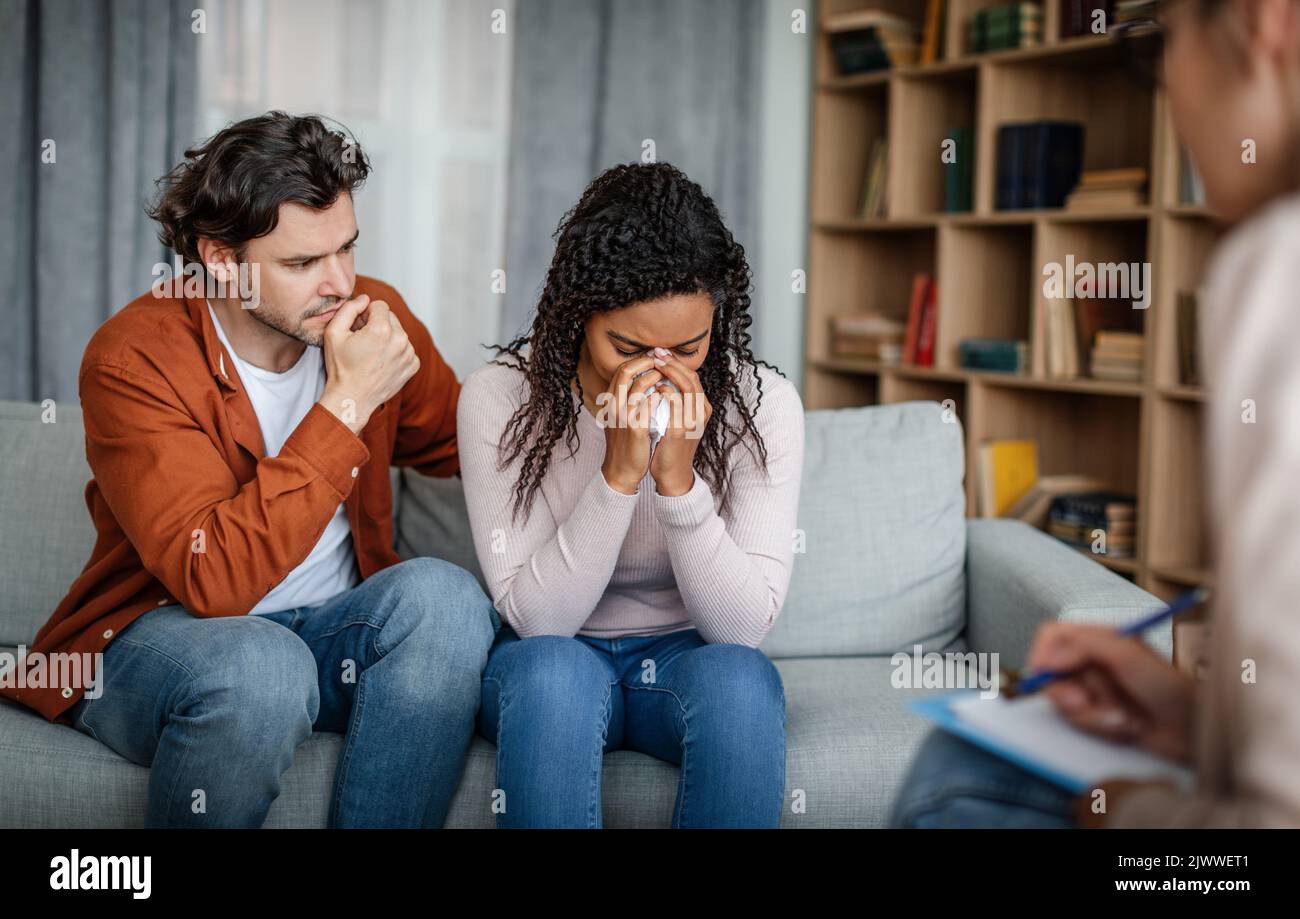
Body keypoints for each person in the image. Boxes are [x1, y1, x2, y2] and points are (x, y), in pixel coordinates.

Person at [0, 112, 499, 828]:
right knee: (261, 665)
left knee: (446, 600)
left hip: (329, 636)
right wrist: (347, 401)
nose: (341, 283)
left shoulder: (374, 320)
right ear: (223, 259)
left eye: (347, 248)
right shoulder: (133, 360)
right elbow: (216, 583)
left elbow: (480, 447)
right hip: (164, 641)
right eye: (302, 264)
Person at [891, 0, 1300, 829]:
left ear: (1267, 22)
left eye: (1163, 47)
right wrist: (1192, 718)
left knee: (958, 777)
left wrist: (1119, 812)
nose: (1169, 97)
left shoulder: (1279, 266)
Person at [457, 162, 804, 828]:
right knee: (554, 677)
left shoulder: (762, 409)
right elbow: (539, 620)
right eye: (628, 345)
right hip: (553, 656)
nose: (658, 369)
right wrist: (617, 476)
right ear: (579, 315)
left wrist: (677, 484)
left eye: (688, 346)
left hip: (686, 656)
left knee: (741, 683)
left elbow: (740, 630)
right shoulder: (499, 397)